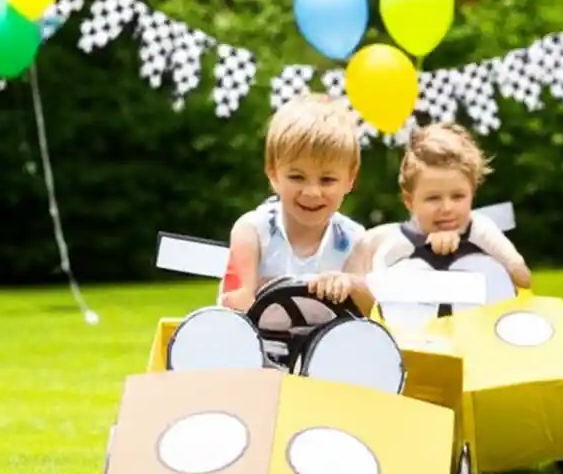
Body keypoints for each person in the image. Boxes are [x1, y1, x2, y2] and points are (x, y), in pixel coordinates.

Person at [220, 93, 374, 314]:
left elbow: (369, 311)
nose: (312, 192)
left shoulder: (354, 240)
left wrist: (350, 284)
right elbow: (236, 303)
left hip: (327, 345)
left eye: (327, 180)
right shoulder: (252, 231)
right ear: (273, 174)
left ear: (350, 179)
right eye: (297, 177)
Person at [363, 122, 532, 288]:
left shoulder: (481, 229)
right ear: (409, 201)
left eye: (458, 196)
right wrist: (427, 247)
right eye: (433, 198)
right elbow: (376, 297)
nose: (447, 208)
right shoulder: (399, 243)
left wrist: (497, 258)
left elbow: (523, 278)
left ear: (472, 194)